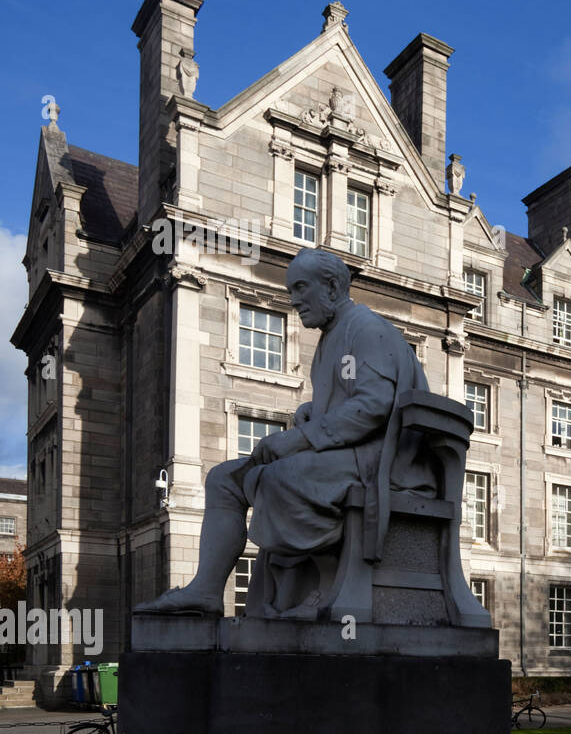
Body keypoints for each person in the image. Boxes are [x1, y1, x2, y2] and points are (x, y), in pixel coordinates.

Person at [136, 248, 434, 615]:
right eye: (291, 290)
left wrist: (298, 438)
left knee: (280, 478)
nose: (293, 301)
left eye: (300, 288)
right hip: (351, 455)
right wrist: (313, 413)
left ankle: (326, 589)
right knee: (224, 478)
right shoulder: (332, 337)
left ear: (331, 286)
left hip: (384, 460)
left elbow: (372, 406)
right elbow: (351, 397)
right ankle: (206, 591)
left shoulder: (366, 328)